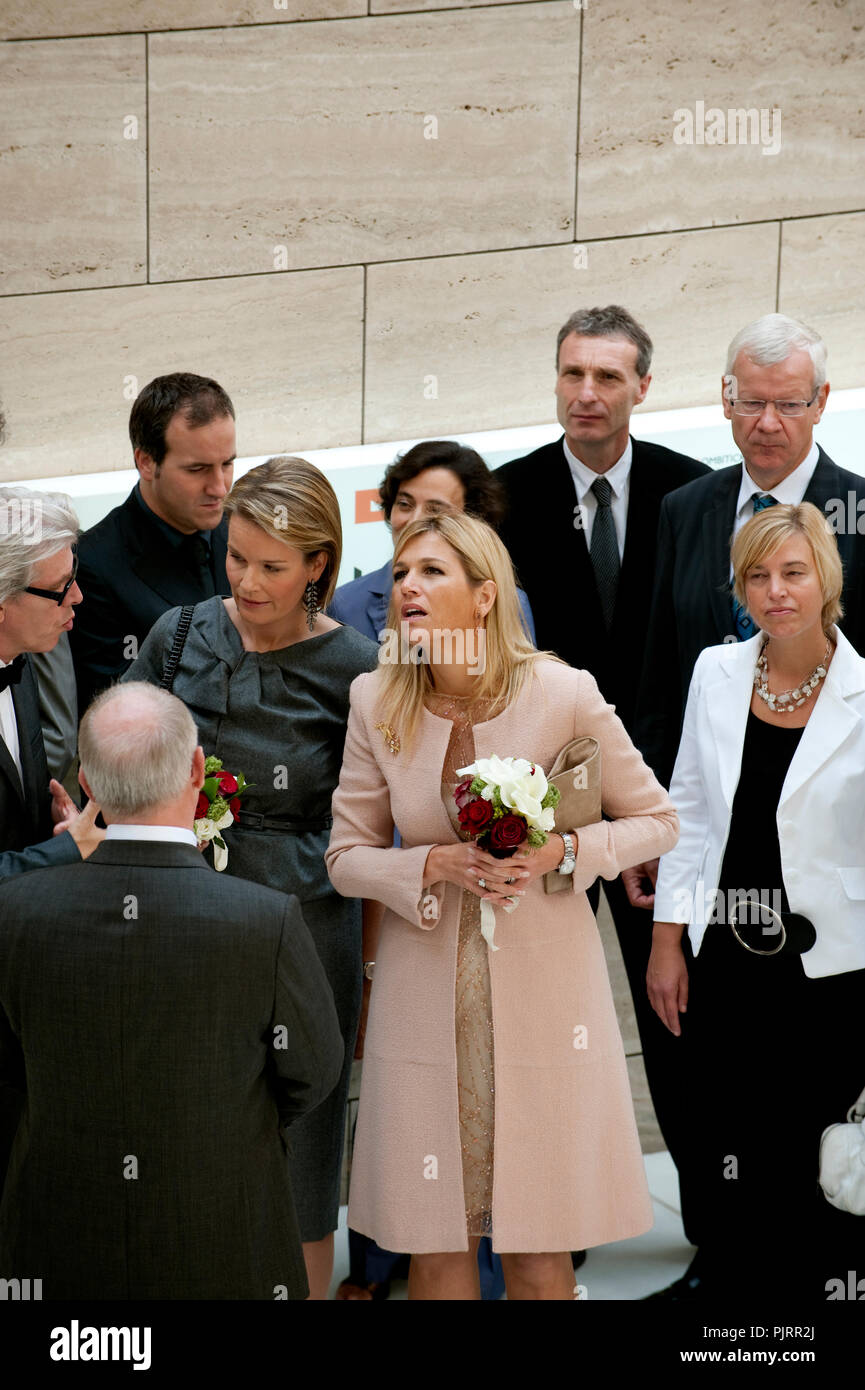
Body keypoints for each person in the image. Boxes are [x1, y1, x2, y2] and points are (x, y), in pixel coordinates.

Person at [326, 511, 679, 1299]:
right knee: (435, 1244)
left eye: (431, 572)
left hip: (547, 1003)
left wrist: (563, 853)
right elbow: (345, 860)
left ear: (484, 597)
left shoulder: (562, 691)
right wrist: (430, 864)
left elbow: (657, 819)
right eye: (400, 572)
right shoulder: (374, 697)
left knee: (536, 1247)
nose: (405, 587)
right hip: (423, 1001)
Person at [125, 456, 378, 1300]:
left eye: (273, 566)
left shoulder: (359, 669)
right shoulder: (179, 634)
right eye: (237, 558)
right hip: (176, 926)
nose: (249, 581)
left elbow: (368, 828)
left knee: (301, 1152)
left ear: (319, 564)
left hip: (305, 935)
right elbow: (124, 756)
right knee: (185, 1131)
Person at [0, 682, 343, 1299]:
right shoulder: (266, 920)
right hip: (221, 1238)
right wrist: (228, 1123)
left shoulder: (13, 910)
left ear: (87, 784)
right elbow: (313, 1072)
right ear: (195, 771)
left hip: (58, 1244)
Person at [495, 305, 708, 1234]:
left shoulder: (691, 494)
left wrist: (655, 815)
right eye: (571, 374)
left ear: (641, 389)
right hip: (532, 812)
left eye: (607, 378)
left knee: (677, 1026)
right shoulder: (500, 501)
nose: (586, 394)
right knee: (537, 1027)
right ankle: (549, 1232)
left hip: (655, 807)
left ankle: (712, 1229)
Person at [648, 503, 865, 1301]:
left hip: (834, 972)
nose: (775, 591)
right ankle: (749, 1316)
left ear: (825, 580)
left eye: (793, 572)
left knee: (825, 1156)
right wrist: (667, 941)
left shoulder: (863, 691)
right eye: (757, 576)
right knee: (735, 1147)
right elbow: (691, 810)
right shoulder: (716, 671)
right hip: (730, 961)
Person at [637, 312, 865, 792]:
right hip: (706, 796)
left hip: (830, 795)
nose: (766, 423)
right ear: (726, 397)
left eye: (787, 404)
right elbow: (659, 673)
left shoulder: (860, 511)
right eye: (752, 402)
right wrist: (650, 815)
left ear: (820, 402)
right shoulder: (683, 509)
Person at [69, 372, 236, 714]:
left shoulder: (244, 531)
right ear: (146, 462)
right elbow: (114, 712)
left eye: (227, 464)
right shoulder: (94, 564)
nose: (219, 487)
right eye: (197, 469)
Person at [329, 438, 535, 643]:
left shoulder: (506, 601)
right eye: (404, 504)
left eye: (435, 510)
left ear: (472, 519)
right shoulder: (344, 606)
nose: (415, 520)